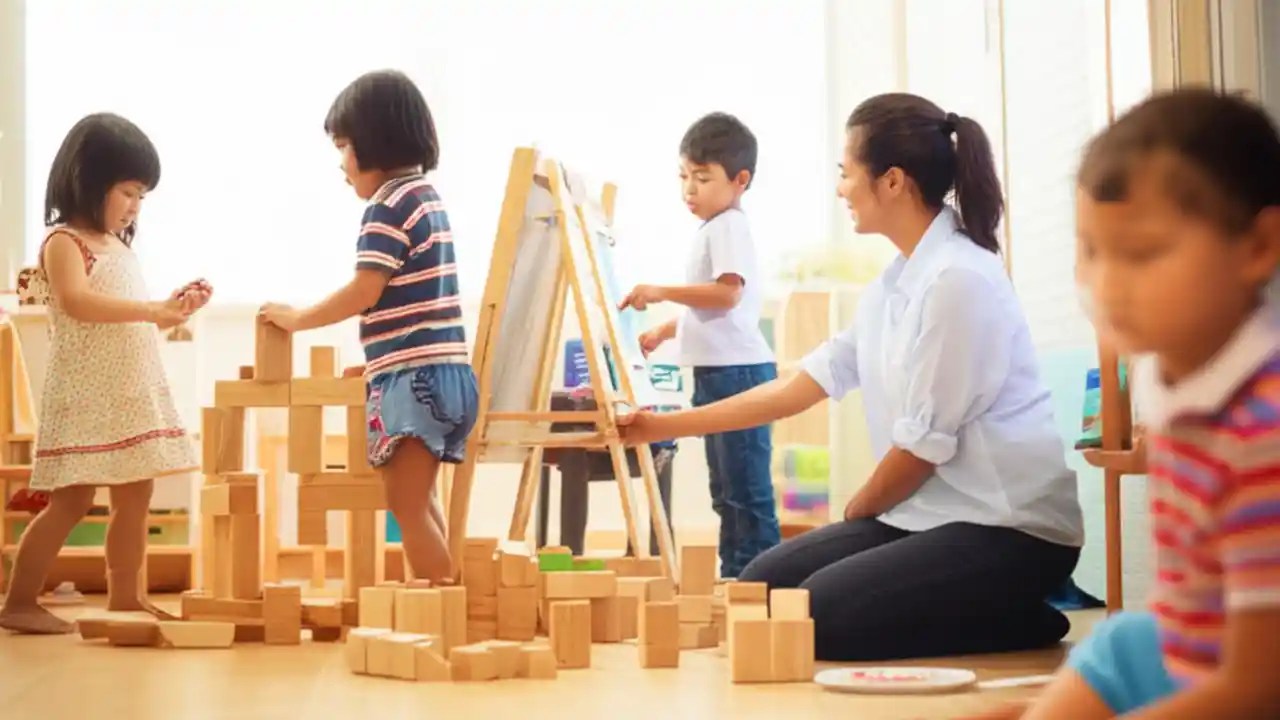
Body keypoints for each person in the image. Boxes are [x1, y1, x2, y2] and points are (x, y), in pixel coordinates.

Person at [621, 93, 1084, 661]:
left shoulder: (960, 281)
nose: (840, 188)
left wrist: (852, 520)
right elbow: (799, 384)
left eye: (846, 173)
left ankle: (1024, 618)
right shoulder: (892, 286)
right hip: (928, 515)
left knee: (821, 613)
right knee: (764, 588)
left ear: (891, 181)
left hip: (1009, 529)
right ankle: (970, 602)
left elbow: (921, 449)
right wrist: (662, 424)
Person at [965, 90, 1280, 720]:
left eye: (1142, 254)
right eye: (1091, 251)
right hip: (1172, 653)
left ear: (1256, 248)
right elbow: (1180, 606)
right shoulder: (1176, 381)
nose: (1107, 285)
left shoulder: (1262, 432)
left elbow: (1256, 688)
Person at [260, 70, 475, 585]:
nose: (341, 164)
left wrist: (296, 320)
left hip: (416, 383)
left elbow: (365, 291)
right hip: (446, 376)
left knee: (405, 506)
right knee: (420, 502)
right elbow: (418, 302)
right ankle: (442, 597)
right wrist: (382, 360)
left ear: (373, 141)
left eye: (344, 146)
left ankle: (442, 610)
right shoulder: (426, 196)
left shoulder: (387, 204)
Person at [0, 113, 212, 634]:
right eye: (128, 192)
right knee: (71, 500)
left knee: (136, 496)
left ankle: (126, 596)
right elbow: (77, 303)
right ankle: (19, 602)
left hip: (128, 391)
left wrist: (171, 311)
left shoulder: (120, 248)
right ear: (88, 182)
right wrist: (151, 310)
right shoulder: (63, 243)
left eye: (141, 196)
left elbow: (121, 323)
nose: (135, 206)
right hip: (86, 395)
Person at [619, 111, 780, 578]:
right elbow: (712, 305)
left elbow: (728, 293)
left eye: (703, 178)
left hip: (739, 374)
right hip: (720, 372)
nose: (689, 190)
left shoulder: (729, 225)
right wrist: (665, 330)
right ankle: (738, 575)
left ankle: (758, 578)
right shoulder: (714, 227)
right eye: (684, 177)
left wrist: (661, 291)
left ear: (740, 180)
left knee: (744, 489)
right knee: (727, 487)